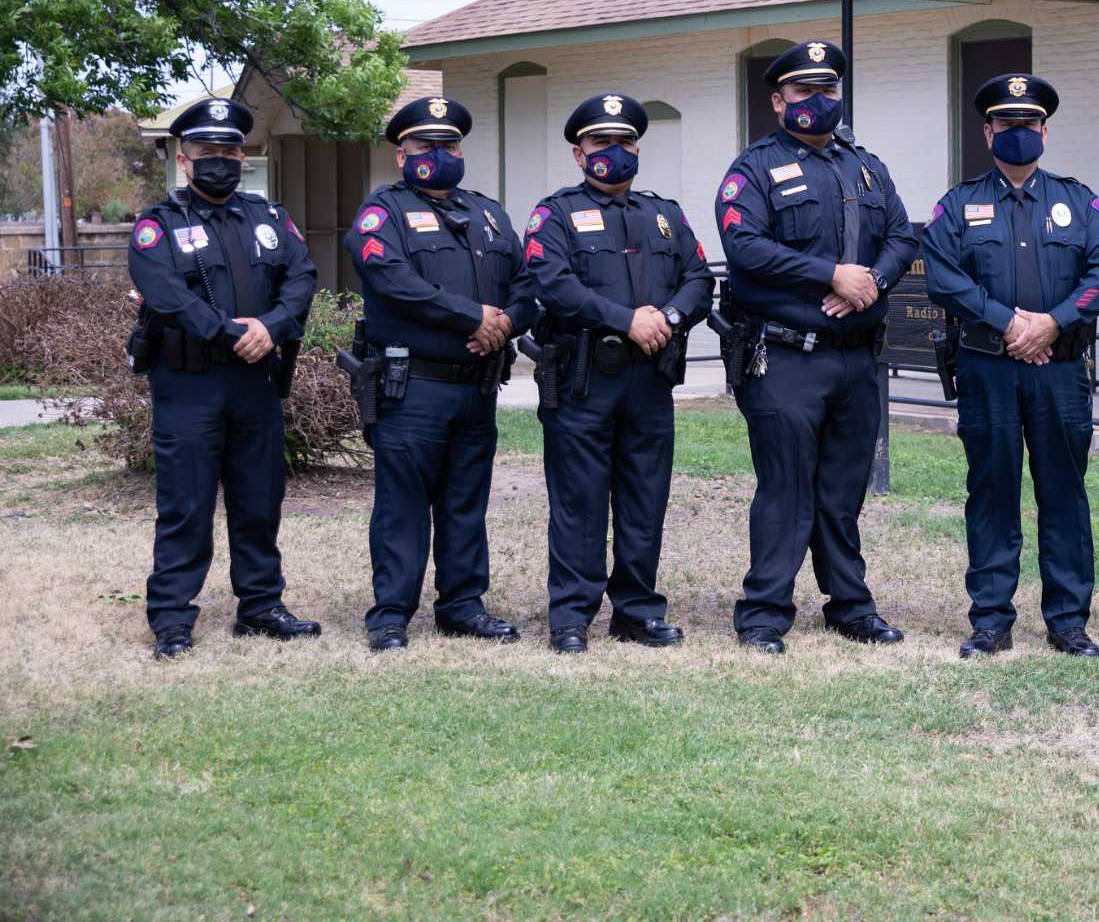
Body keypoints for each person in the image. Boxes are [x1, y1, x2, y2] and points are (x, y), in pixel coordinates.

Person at [717, 41, 918, 654]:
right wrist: (830, 274)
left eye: (827, 90)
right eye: (804, 92)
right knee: (785, 488)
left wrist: (870, 283)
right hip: (783, 357)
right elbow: (744, 246)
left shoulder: (864, 165)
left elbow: (902, 236)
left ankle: (850, 607)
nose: (818, 101)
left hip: (856, 356)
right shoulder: (751, 169)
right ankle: (764, 612)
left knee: (842, 491)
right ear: (778, 101)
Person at [924, 72, 1099, 658]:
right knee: (991, 492)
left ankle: (1068, 620)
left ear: (1044, 131)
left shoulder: (1077, 201)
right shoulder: (959, 204)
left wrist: (1052, 322)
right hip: (988, 369)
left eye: (1028, 123)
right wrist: (1010, 323)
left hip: (1059, 372)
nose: (1019, 132)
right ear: (988, 131)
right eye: (1007, 124)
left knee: (1064, 493)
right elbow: (941, 274)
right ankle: (990, 618)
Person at [514, 93, 713, 654]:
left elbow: (699, 278)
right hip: (582, 379)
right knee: (579, 501)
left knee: (644, 498)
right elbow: (551, 284)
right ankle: (572, 616)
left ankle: (636, 611)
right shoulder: (552, 214)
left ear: (637, 149)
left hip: (649, 379)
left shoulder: (664, 214)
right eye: (601, 142)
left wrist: (667, 318)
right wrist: (627, 320)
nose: (614, 151)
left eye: (624, 141)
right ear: (580, 154)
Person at [127, 96, 319, 659]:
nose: (221, 160)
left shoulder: (270, 219)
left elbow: (301, 278)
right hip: (189, 384)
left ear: (244, 156)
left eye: (230, 150)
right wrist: (233, 333)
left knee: (260, 500)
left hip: (255, 383)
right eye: (207, 151)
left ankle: (260, 606)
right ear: (184, 159)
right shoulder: (157, 225)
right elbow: (164, 294)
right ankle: (171, 618)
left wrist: (274, 325)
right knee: (186, 505)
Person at [343, 95, 537, 652]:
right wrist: (472, 315)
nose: (438, 154)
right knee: (403, 505)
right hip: (413, 387)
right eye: (425, 145)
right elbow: (391, 279)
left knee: (464, 503)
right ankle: (390, 615)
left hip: (476, 386)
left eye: (448, 144)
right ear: (402, 153)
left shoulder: (488, 213)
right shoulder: (384, 213)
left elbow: (526, 285)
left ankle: (461, 606)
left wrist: (502, 324)